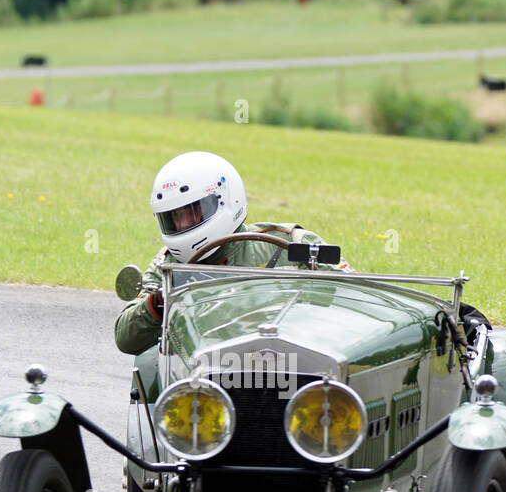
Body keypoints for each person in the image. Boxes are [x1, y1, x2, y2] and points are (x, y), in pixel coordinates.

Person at [114, 151, 347, 355]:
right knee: (148, 366)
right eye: (175, 217)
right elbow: (125, 338)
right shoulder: (168, 266)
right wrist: (161, 301)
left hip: (293, 365)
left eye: (193, 212)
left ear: (226, 200)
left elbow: (355, 300)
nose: (184, 224)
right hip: (204, 380)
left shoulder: (292, 243)